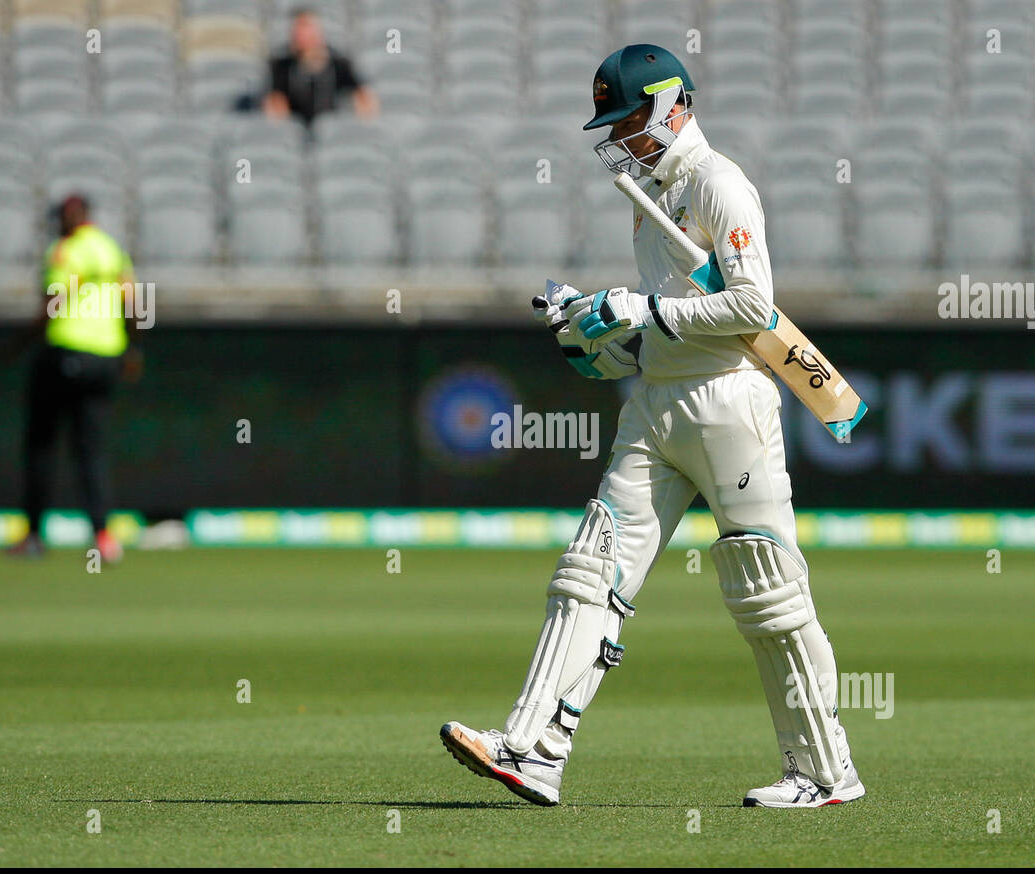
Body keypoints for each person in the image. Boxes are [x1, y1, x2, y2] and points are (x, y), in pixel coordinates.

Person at [440, 45, 865, 808]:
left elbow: (752, 308)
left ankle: (826, 773)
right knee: (589, 568)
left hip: (730, 404)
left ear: (673, 104)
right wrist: (592, 328)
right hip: (655, 403)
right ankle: (534, 748)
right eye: (616, 125)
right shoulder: (655, 193)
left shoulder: (719, 184)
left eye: (633, 118)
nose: (626, 137)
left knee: (766, 591)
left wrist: (646, 309)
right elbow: (660, 325)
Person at [3, 195, 140, 563]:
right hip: (105, 358)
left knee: (42, 445)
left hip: (66, 354)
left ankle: (33, 536)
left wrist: (18, 345)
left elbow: (54, 303)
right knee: (91, 450)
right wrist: (132, 349)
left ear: (69, 218)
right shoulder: (111, 249)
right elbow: (135, 303)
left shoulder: (65, 252)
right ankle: (104, 538)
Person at [263, 9, 379, 126]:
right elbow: (275, 103)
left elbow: (363, 96)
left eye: (306, 27)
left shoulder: (339, 63)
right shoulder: (281, 65)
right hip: (296, 128)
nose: (300, 34)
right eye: (297, 29)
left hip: (332, 129)